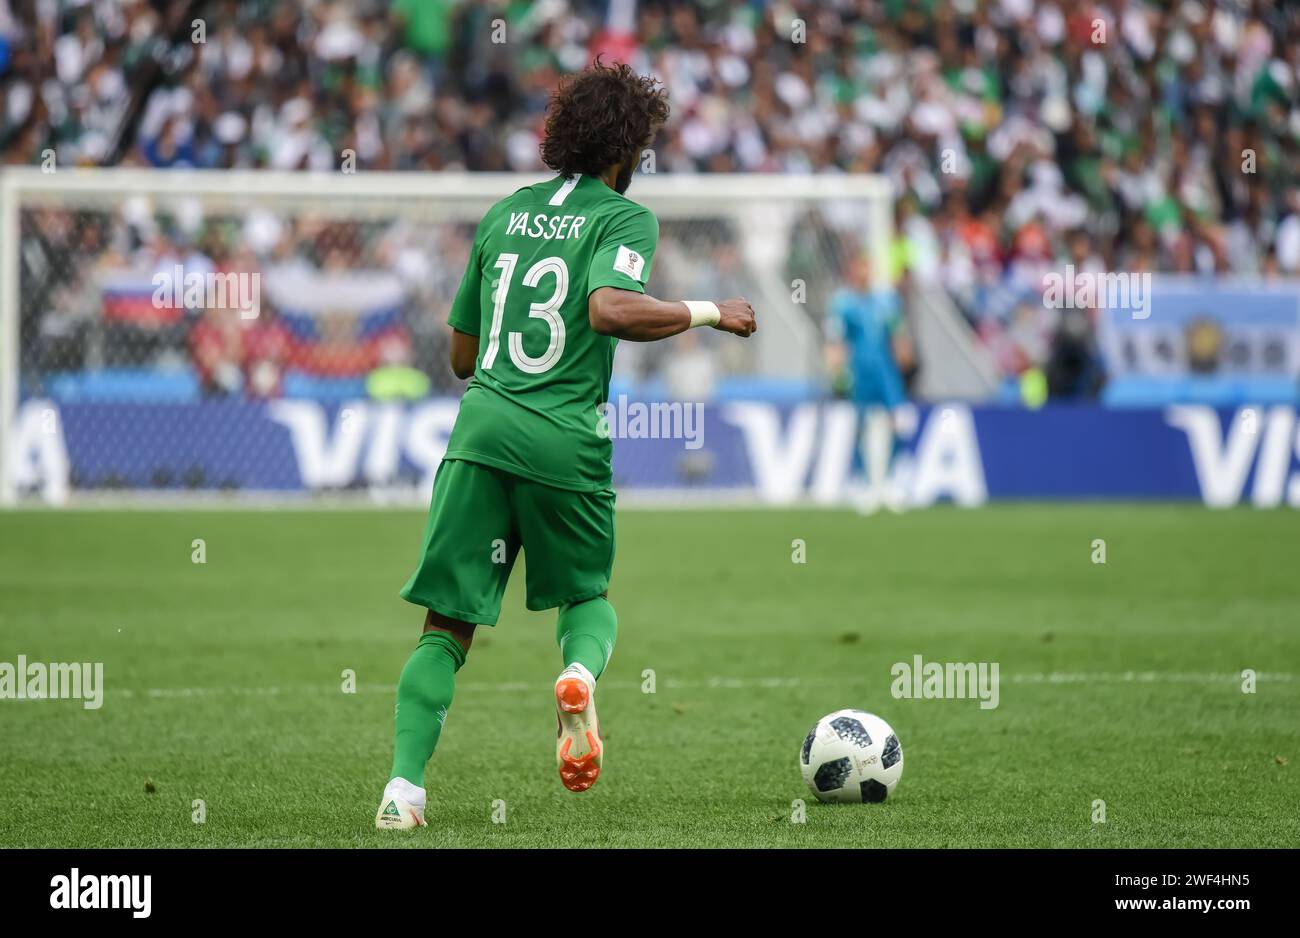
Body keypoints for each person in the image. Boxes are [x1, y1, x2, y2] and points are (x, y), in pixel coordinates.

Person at [376, 61, 757, 829]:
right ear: (628, 151)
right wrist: (712, 310)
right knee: (586, 598)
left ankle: (402, 793)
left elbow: (459, 356)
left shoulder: (503, 213)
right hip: (562, 439)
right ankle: (577, 675)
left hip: (481, 433)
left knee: (446, 628)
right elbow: (611, 309)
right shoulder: (623, 218)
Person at [824, 254, 912, 512]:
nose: (865, 274)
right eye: (860, 268)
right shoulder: (843, 303)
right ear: (852, 272)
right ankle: (864, 483)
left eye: (868, 268)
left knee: (899, 422)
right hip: (859, 371)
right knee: (861, 425)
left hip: (886, 370)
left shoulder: (886, 301)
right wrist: (836, 368)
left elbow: (898, 333)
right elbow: (836, 339)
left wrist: (905, 357)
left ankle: (891, 480)